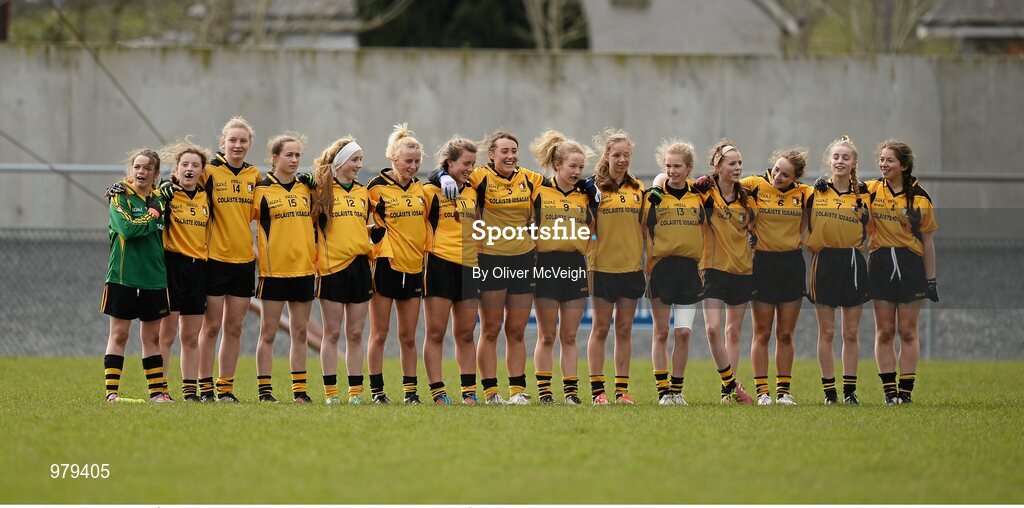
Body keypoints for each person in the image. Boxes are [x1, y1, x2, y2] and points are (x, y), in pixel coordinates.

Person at [465, 131, 546, 404]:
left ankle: (517, 391)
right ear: (492, 154)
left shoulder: (531, 179)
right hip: (490, 258)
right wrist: (441, 176)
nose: (510, 156)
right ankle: (490, 392)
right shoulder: (479, 177)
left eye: (514, 150)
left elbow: (559, 186)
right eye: (504, 151)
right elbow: (448, 173)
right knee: (490, 328)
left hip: (523, 258)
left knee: (517, 329)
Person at [866, 139, 938, 404]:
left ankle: (905, 392)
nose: (883, 164)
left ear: (904, 165)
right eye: (882, 160)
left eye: (890, 160)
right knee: (884, 331)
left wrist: (931, 280)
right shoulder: (871, 190)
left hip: (910, 265)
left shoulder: (920, 198)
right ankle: (889, 393)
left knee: (907, 331)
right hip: (881, 262)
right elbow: (845, 190)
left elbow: (928, 243)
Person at [198, 117, 262, 402]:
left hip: (244, 260)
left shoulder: (254, 176)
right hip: (214, 259)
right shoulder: (208, 172)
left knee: (234, 327)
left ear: (250, 144)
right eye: (232, 140)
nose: (237, 145)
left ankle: (225, 388)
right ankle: (204, 386)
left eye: (243, 140)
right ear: (222, 142)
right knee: (210, 326)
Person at [741, 148, 811, 405]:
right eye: (777, 170)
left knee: (785, 333)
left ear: (796, 177)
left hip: (791, 264)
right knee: (762, 332)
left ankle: (783, 391)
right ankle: (762, 392)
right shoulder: (754, 185)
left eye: (785, 174)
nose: (778, 177)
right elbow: (723, 184)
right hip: (762, 263)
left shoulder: (804, 193)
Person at [101, 148, 171, 403]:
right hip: (123, 276)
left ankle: (157, 394)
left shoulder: (160, 199)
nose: (141, 172)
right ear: (130, 170)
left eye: (147, 168)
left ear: (155, 173)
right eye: (137, 167)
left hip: (154, 277)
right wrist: (152, 218)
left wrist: (154, 209)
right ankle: (112, 394)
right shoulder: (120, 197)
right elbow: (128, 229)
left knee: (152, 337)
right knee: (119, 334)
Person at [528, 130, 593, 405]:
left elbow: (592, 227)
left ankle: (571, 393)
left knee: (569, 334)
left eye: (580, 167)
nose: (577, 171)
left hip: (574, 264)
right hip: (546, 264)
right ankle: (544, 393)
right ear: (557, 165)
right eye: (572, 166)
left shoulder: (586, 195)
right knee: (547, 334)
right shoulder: (538, 190)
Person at [251, 133, 317, 403]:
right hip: (274, 272)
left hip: (303, 270)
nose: (294, 160)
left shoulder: (306, 189)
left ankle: (300, 391)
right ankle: (265, 391)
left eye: (298, 155)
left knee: (300, 332)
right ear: (275, 158)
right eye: (289, 155)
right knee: (267, 332)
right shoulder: (262, 190)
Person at [806, 135, 871, 404]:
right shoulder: (815, 191)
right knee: (828, 332)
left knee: (851, 332)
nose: (840, 161)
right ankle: (829, 392)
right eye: (836, 157)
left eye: (846, 157)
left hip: (853, 261)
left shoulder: (866, 192)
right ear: (829, 162)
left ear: (854, 162)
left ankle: (849, 391)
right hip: (825, 262)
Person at [366, 123, 427, 404]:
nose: (412, 166)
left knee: (408, 336)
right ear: (393, 158)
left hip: (414, 266)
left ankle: (410, 392)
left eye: (417, 161)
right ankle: (377, 391)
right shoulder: (375, 188)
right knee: (379, 334)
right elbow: (358, 219)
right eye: (407, 161)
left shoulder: (422, 190)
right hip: (385, 265)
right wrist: (372, 234)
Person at [310, 137, 373, 404]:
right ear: (339, 163)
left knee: (356, 333)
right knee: (332, 333)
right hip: (331, 267)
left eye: (360, 159)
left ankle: (356, 393)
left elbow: (363, 227)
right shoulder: (322, 192)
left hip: (359, 267)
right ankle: (331, 393)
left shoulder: (364, 193)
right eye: (354, 160)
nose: (359, 165)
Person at [691, 138, 755, 405]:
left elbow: (754, 227)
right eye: (732, 163)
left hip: (741, 268)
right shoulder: (705, 192)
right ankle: (731, 384)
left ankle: (727, 393)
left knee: (734, 332)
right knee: (713, 329)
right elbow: (669, 183)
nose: (738, 167)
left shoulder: (747, 196)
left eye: (739, 162)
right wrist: (696, 183)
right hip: (713, 267)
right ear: (718, 167)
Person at [584, 129, 645, 405]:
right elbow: (586, 229)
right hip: (602, 268)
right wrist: (596, 239)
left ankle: (622, 391)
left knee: (624, 329)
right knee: (600, 329)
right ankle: (598, 392)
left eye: (626, 155)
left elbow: (644, 228)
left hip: (631, 267)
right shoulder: (592, 188)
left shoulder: (638, 189)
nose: (622, 160)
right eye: (617, 155)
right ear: (606, 156)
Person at [644, 140, 706, 406]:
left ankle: (676, 390)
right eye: (668, 166)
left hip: (689, 270)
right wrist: (658, 184)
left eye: (677, 166)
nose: (672, 171)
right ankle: (662, 391)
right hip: (661, 267)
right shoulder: (655, 195)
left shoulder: (699, 195)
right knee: (661, 332)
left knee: (683, 333)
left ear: (689, 168)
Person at [422, 136, 481, 404]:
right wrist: (439, 177)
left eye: (473, 163)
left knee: (466, 333)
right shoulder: (430, 191)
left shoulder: (473, 190)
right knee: (436, 332)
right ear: (450, 162)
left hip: (469, 265)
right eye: (465, 163)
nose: (470, 168)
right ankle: (438, 392)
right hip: (440, 263)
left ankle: (469, 393)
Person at [156, 140, 212, 402]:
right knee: (166, 335)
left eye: (195, 165)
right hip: (172, 266)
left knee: (191, 336)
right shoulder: (166, 194)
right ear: (176, 169)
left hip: (198, 269)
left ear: (202, 171)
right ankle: (160, 389)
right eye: (185, 164)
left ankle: (190, 392)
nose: (190, 169)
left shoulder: (205, 197)